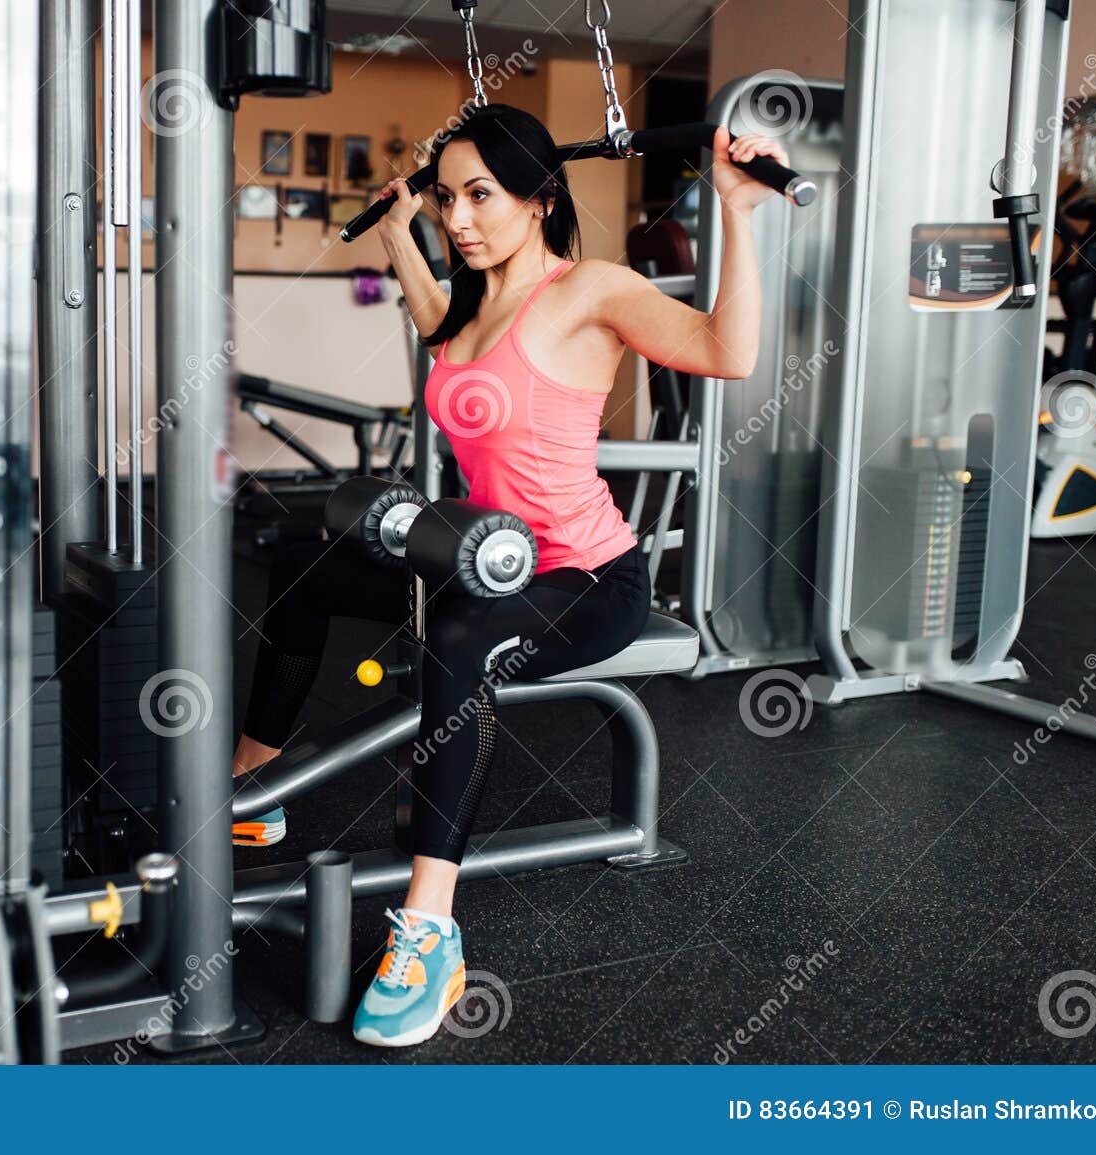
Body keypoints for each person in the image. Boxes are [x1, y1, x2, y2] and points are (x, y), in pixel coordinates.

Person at [230, 104, 788, 1047]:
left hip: (587, 577)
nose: (461, 217)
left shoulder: (589, 293)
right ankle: (253, 793)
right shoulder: (468, 303)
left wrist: (739, 209)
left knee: (457, 641)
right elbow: (430, 314)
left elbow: (728, 353)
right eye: (450, 199)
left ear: (541, 199)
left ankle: (431, 928)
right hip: (485, 561)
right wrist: (402, 227)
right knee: (303, 565)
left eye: (481, 196)